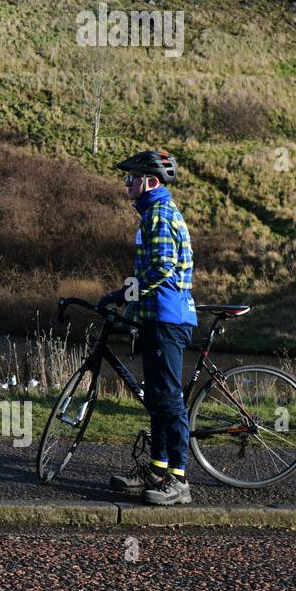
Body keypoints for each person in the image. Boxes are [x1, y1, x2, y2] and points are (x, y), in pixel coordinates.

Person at [100, 150, 197, 506]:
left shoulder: (157, 214)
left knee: (170, 400)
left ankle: (179, 480)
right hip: (157, 316)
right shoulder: (153, 212)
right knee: (157, 400)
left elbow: (161, 269)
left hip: (168, 318)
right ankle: (156, 471)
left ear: (151, 181)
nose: (126, 182)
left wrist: (122, 294)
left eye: (132, 176)